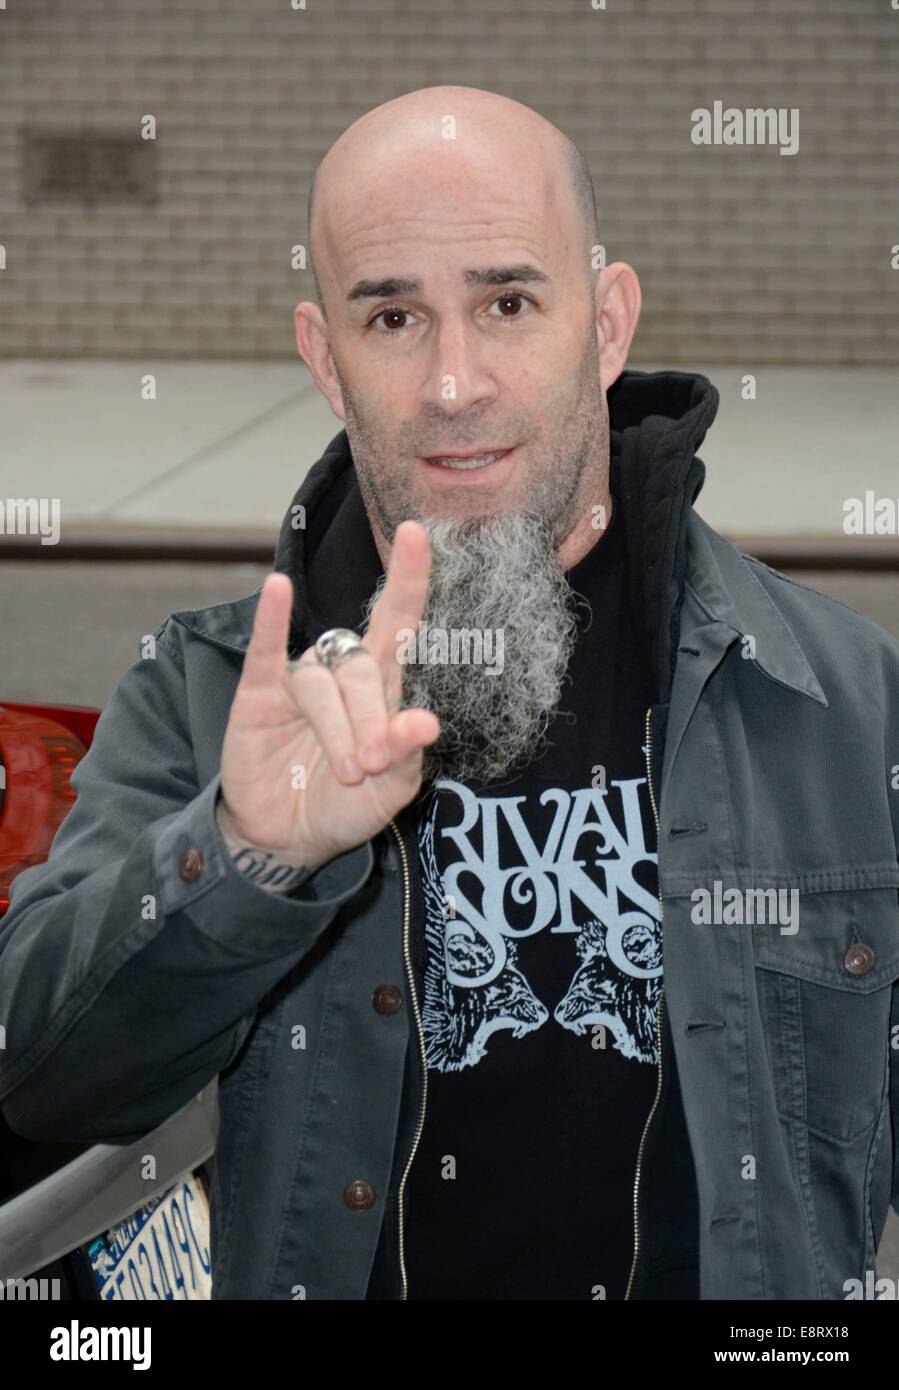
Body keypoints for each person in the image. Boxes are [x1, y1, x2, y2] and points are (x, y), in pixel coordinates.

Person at [2, 84, 898, 1302]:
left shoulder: (836, 694)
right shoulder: (213, 691)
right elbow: (45, 1075)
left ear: (609, 321)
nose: (451, 383)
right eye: (391, 319)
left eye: (508, 302)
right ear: (325, 358)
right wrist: (243, 858)